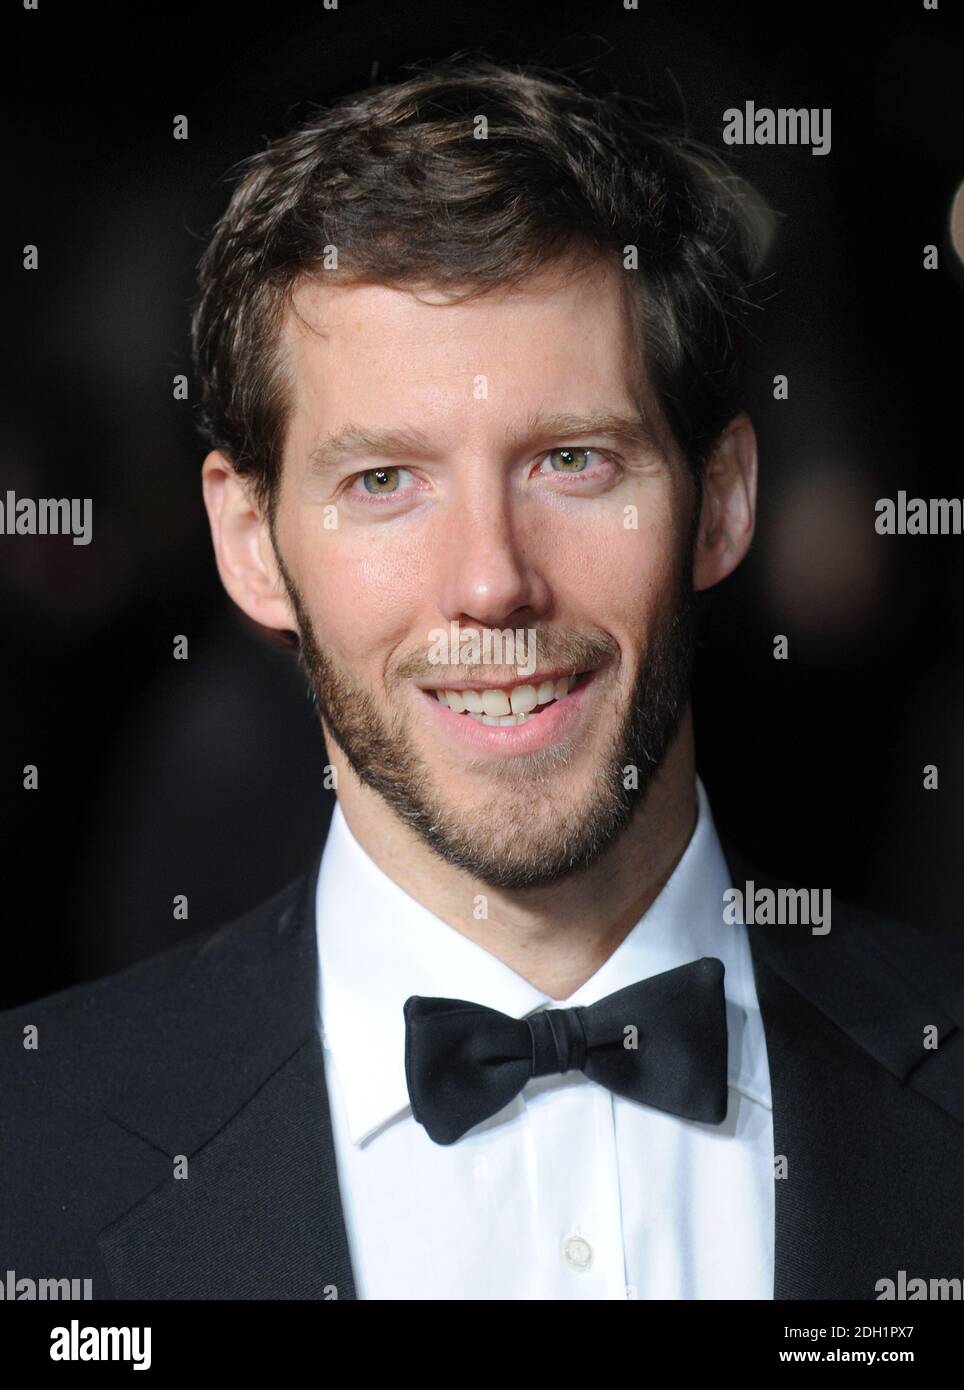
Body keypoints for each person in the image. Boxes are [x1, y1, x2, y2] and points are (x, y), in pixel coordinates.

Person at [3, 58, 963, 1302]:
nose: (492, 582)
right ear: (251, 545)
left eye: (572, 460)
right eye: (383, 481)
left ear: (722, 503)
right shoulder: (33, 1157)